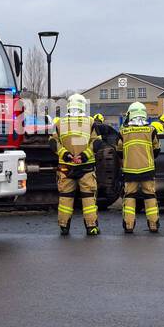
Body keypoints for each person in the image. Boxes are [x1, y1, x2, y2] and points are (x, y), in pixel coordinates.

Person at [51, 93, 99, 236]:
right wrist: (84, 156)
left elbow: (53, 142)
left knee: (66, 197)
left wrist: (66, 155)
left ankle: (64, 226)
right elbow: (96, 142)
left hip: (66, 166)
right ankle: (91, 227)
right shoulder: (90, 122)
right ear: (83, 105)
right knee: (88, 198)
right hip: (86, 166)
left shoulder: (59, 123)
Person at [117, 102, 161, 234]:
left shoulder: (123, 131)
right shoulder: (151, 130)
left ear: (130, 114)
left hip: (130, 170)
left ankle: (129, 225)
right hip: (147, 169)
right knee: (150, 196)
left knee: (130, 196)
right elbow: (157, 150)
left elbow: (119, 151)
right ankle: (153, 225)